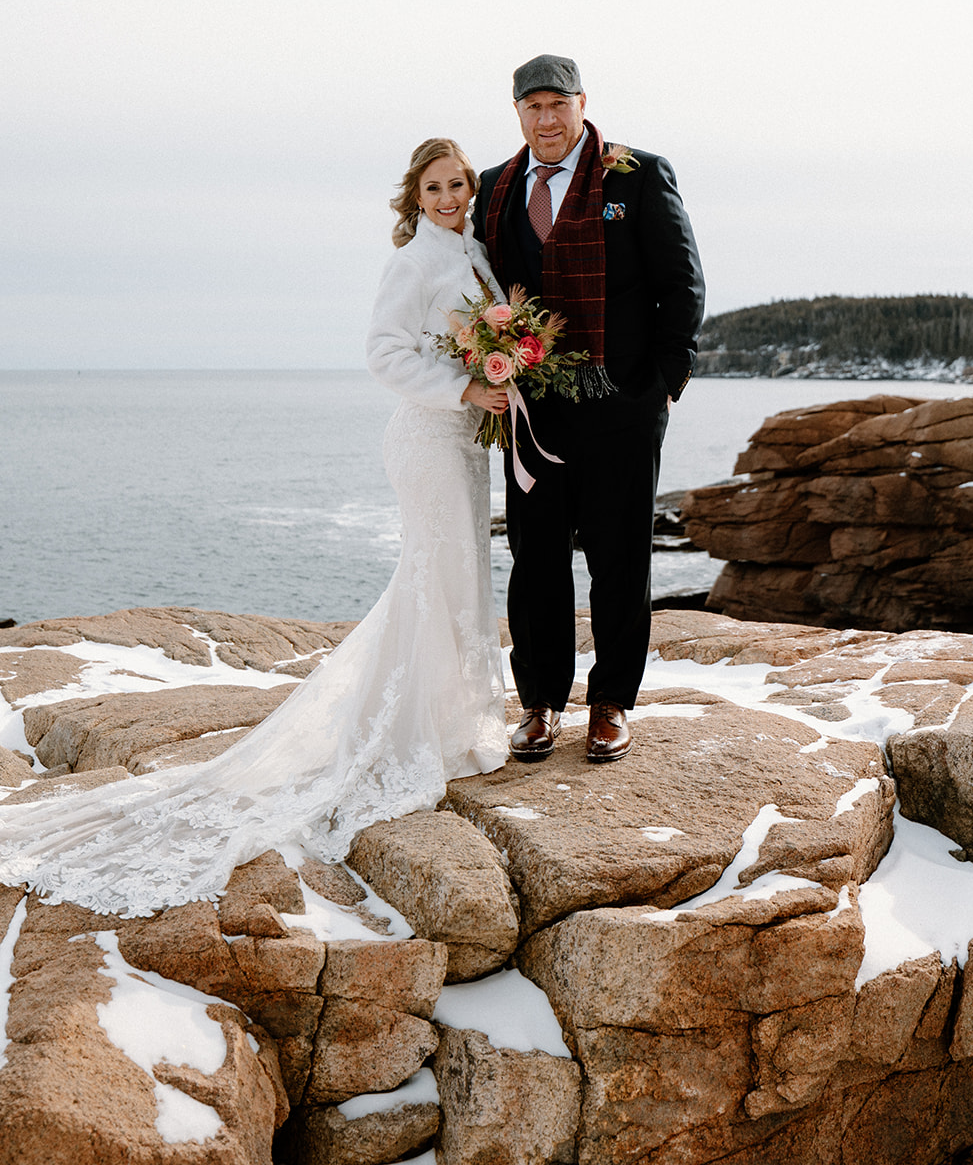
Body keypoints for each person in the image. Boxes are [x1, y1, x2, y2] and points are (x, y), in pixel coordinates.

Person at [0, 139, 509, 915]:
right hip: (428, 438)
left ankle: (450, 718)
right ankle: (408, 735)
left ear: (470, 190)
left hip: (465, 444)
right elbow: (382, 353)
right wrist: (464, 389)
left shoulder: (472, 251)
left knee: (460, 575)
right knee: (431, 577)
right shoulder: (412, 263)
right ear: (413, 196)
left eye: (458, 185)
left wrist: (496, 375)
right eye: (434, 188)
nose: (447, 198)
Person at [474, 55, 705, 765]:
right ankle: (539, 703)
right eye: (531, 107)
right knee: (534, 557)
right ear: (517, 112)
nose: (545, 120)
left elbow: (681, 282)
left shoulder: (637, 173)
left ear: (581, 104)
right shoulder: (493, 187)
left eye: (557, 105)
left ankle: (609, 703)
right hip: (534, 410)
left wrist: (662, 382)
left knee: (618, 558)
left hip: (622, 404)